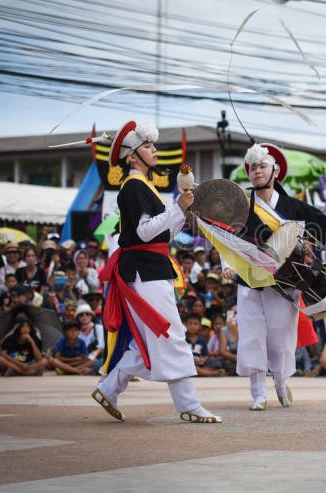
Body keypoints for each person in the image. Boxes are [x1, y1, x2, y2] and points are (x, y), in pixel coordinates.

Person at [92, 120, 221, 424]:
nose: (154, 151)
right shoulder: (134, 186)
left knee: (149, 339)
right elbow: (145, 232)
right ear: (132, 156)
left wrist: (182, 208)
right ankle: (189, 404)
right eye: (147, 146)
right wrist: (177, 208)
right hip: (143, 270)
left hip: (149, 268)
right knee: (169, 333)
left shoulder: (143, 185)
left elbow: (163, 233)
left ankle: (109, 389)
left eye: (152, 145)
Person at [222, 143, 326, 411]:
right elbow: (226, 238)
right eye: (253, 167)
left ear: (275, 171)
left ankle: (280, 381)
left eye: (262, 166)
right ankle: (258, 393)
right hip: (249, 279)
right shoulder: (240, 206)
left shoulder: (295, 207)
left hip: (285, 283)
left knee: (281, 336)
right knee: (252, 335)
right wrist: (227, 263)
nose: (256, 171)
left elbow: (325, 230)